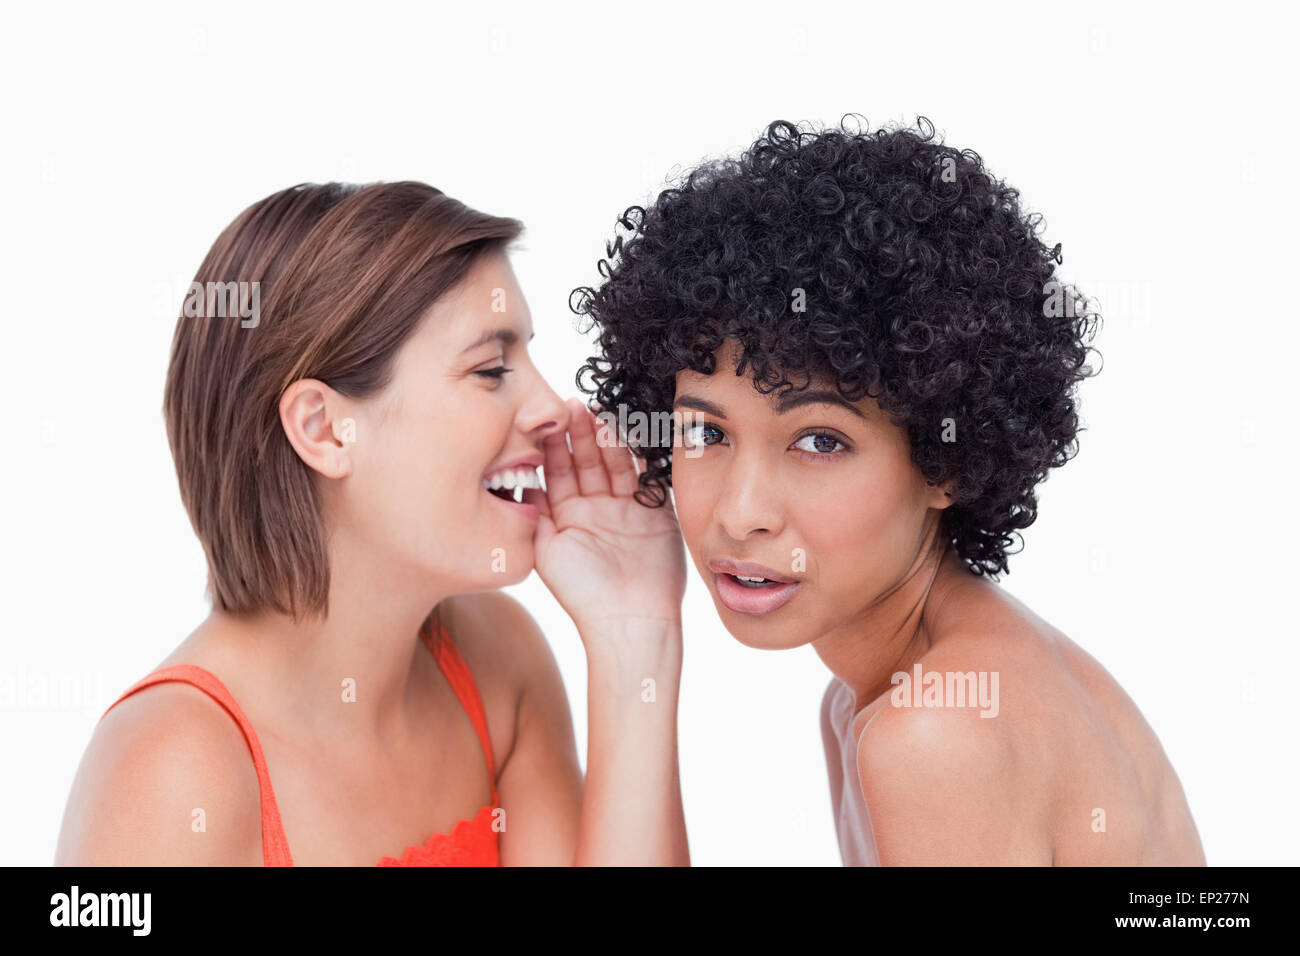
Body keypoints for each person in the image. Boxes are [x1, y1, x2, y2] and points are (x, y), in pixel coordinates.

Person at [572, 117, 1206, 865]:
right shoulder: (869, 699)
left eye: (819, 441)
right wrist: (633, 632)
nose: (741, 514)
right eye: (706, 434)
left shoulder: (935, 730)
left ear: (945, 463)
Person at [55, 181, 688, 866]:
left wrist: (636, 638)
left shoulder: (499, 662)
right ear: (326, 429)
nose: (550, 407)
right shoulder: (174, 771)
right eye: (490, 368)